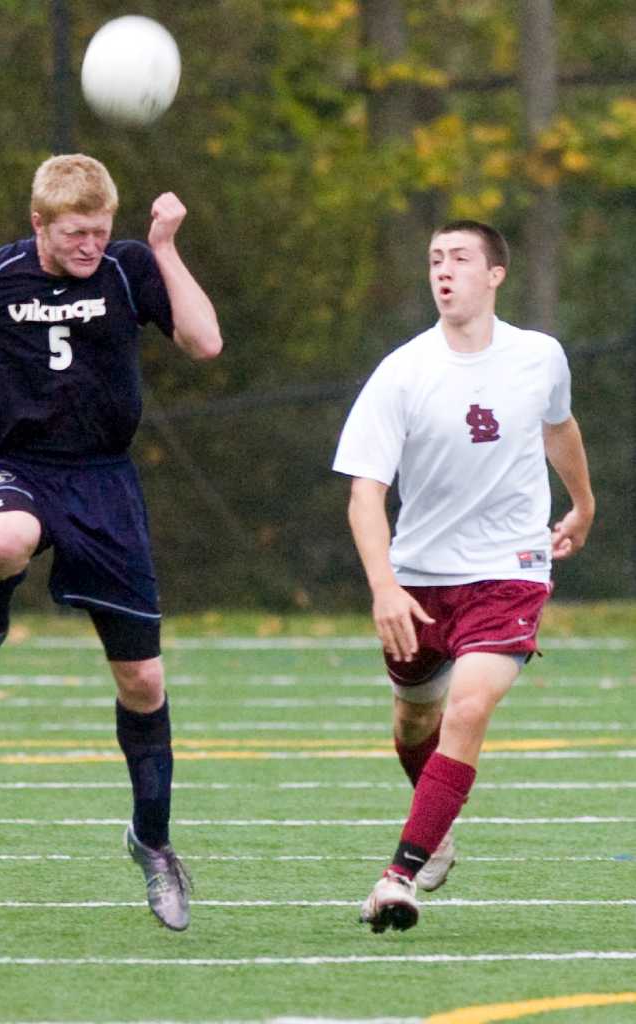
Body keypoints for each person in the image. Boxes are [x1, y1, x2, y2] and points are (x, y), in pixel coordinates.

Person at [0, 153, 223, 931]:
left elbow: (204, 343)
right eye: (74, 234)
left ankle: (152, 844)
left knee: (143, 684)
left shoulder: (128, 267)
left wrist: (162, 245)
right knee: (3, 541)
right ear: (38, 224)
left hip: (104, 484)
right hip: (19, 465)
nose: (90, 245)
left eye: (100, 230)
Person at [332, 220, 594, 933]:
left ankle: (397, 876)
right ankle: (436, 820)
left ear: (494, 275)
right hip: (418, 579)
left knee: (468, 709)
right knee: (413, 716)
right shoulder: (403, 371)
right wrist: (384, 586)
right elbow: (364, 493)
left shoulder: (538, 356)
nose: (442, 271)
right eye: (433, 260)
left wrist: (581, 502)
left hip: (508, 570)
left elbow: (557, 427)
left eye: (458, 259)